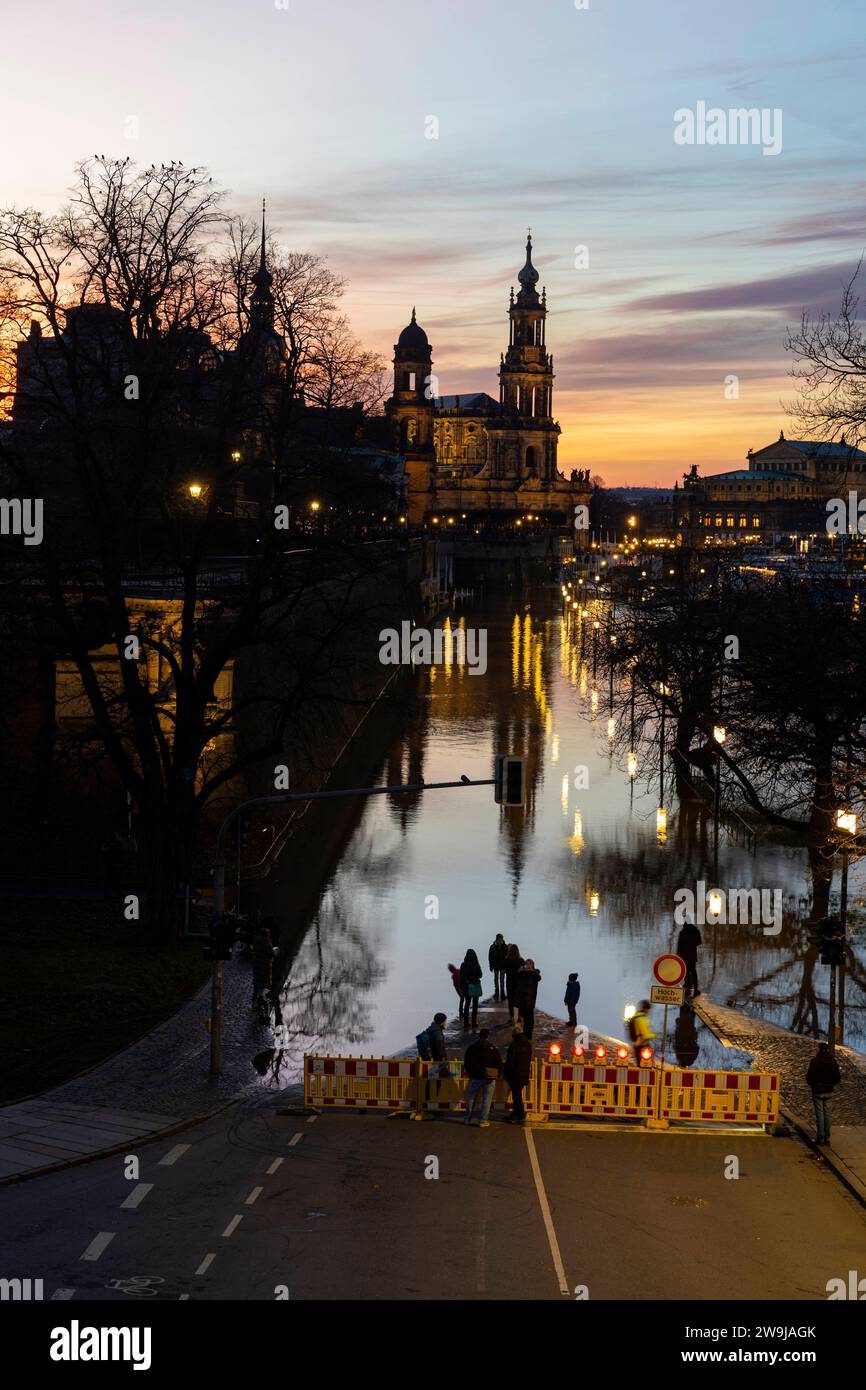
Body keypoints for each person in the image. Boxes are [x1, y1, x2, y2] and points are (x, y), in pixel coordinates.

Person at [463, 1027, 502, 1127]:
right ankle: (483, 1121)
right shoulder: (492, 1048)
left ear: (479, 1035)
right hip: (489, 1077)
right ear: (488, 1036)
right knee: (487, 1099)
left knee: (471, 1097)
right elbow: (498, 1062)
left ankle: (467, 1119)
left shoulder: (472, 1047)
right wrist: (497, 1074)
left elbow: (467, 1062)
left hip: (475, 1076)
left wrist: (470, 1073)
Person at [806, 1041, 841, 1148]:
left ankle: (820, 1137)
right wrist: (831, 1084)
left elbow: (809, 1077)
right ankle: (827, 1138)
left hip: (817, 1091)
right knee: (827, 1114)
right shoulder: (832, 1061)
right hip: (829, 1091)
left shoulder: (815, 1061)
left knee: (819, 1114)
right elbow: (837, 1077)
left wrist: (813, 1085)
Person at [503, 1024, 533, 1123]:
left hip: (515, 1075)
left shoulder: (514, 1045)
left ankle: (520, 1116)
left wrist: (506, 1073)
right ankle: (514, 1114)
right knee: (517, 1095)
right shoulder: (528, 1044)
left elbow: (510, 1062)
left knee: (517, 1097)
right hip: (524, 1074)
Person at [515, 959, 541, 1041]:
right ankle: (522, 1033)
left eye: (530, 964)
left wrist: (533, 971)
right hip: (521, 1000)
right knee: (522, 1017)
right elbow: (516, 981)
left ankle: (528, 1034)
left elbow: (538, 978)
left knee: (529, 1019)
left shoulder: (534, 974)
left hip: (530, 1001)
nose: (528, 966)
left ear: (533, 965)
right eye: (527, 964)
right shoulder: (522, 973)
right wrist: (519, 971)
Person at [676, 921, 703, 996]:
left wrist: (678, 957)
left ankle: (688, 987)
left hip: (684, 956)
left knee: (686, 972)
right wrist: (692, 943)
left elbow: (679, 946)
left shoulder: (682, 932)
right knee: (693, 972)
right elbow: (699, 942)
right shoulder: (696, 931)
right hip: (693, 956)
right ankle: (696, 989)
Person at [251, 923, 275, 1008]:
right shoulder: (267, 942)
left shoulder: (255, 941)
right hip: (264, 965)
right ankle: (262, 998)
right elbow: (271, 953)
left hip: (256, 964)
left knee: (257, 981)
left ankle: (254, 998)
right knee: (265, 982)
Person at [459, 948, 483, 1029]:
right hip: (475, 985)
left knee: (467, 1004)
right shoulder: (476, 964)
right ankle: (474, 1022)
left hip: (467, 986)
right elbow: (480, 975)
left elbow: (461, 977)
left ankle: (466, 1023)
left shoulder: (463, 965)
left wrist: (461, 987)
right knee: (475, 1005)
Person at [504, 943, 524, 1024]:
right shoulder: (521, 960)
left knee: (510, 1001)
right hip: (519, 983)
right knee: (519, 1000)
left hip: (509, 982)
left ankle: (511, 1017)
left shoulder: (506, 960)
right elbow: (523, 971)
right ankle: (519, 1017)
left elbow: (505, 970)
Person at [488, 933, 508, 1001]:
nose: (500, 941)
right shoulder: (492, 946)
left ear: (502, 939)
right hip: (495, 966)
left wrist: (506, 966)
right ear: (496, 939)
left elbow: (507, 957)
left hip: (503, 966)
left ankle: (502, 993)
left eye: (501, 939)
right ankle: (497, 993)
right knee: (496, 979)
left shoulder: (505, 946)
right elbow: (490, 957)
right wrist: (491, 966)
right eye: (499, 939)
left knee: (502, 980)